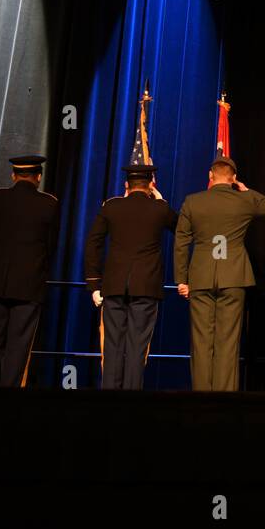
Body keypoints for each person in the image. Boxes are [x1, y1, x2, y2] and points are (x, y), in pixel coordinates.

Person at [173, 156, 265, 391]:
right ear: (233, 178)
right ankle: (225, 400)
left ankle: (201, 397)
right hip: (233, 277)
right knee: (228, 343)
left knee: (201, 342)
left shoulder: (192, 202)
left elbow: (181, 242)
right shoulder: (244, 200)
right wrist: (246, 190)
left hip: (200, 277)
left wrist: (182, 279)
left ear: (210, 176)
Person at [84, 163, 179, 390]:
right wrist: (159, 200)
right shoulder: (160, 208)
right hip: (145, 286)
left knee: (112, 345)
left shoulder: (111, 207)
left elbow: (93, 243)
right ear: (150, 186)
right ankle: (132, 400)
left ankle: (110, 397)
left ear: (126, 185)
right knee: (137, 347)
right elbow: (180, 228)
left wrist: (94, 282)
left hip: (114, 285)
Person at [0, 154, 60, 387]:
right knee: (18, 348)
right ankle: (9, 400)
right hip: (28, 286)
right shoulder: (49, 204)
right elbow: (52, 246)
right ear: (38, 177)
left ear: (13, 175)